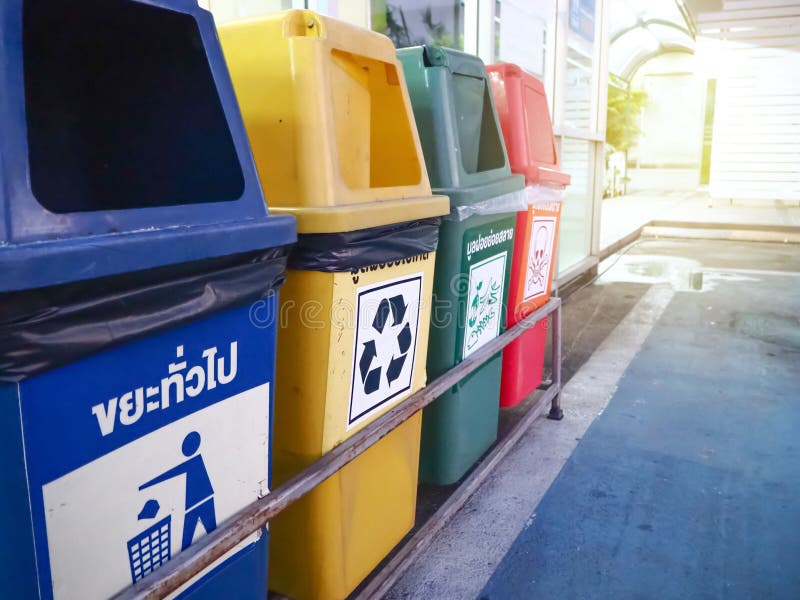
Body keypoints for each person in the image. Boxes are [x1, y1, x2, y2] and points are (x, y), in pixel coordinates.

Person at [139, 431, 216, 550]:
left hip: (199, 502)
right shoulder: (195, 461)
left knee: (193, 538)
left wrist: (146, 485)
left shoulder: (193, 462)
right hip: (198, 502)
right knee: (197, 536)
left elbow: (170, 473)